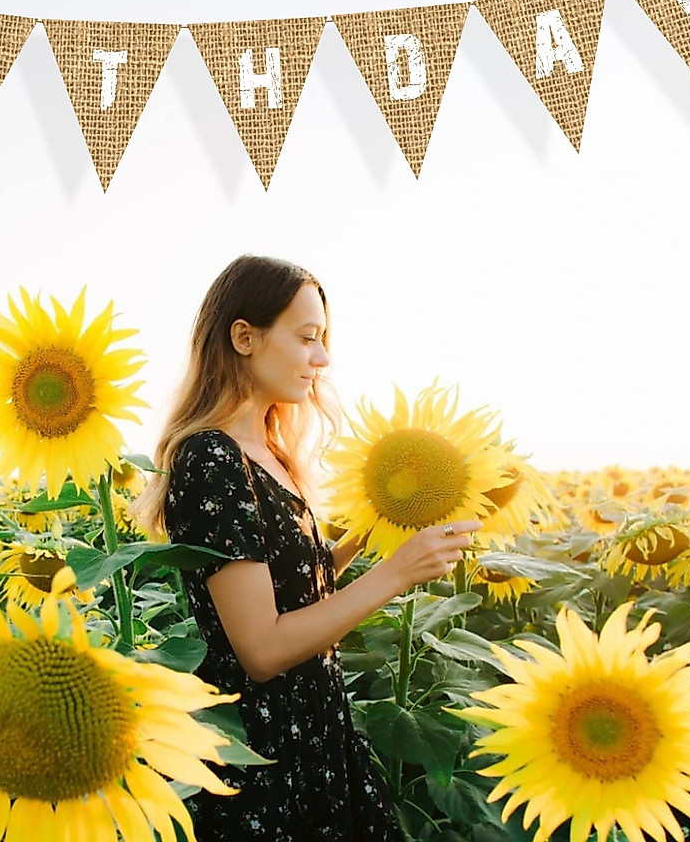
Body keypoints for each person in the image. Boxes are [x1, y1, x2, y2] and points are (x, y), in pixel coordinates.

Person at [133, 254, 481, 842]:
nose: (322, 359)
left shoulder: (269, 452)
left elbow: (293, 585)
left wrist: (370, 531)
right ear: (244, 336)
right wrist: (395, 573)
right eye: (308, 337)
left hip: (317, 733)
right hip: (267, 758)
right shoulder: (213, 461)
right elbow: (263, 647)